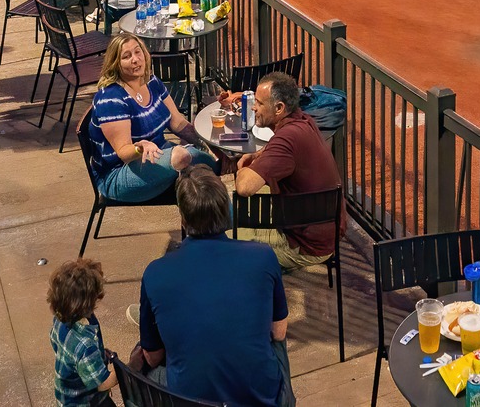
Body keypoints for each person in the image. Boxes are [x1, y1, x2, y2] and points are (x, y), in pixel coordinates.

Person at [133, 168, 292, 407]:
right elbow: (278, 333)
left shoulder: (156, 272)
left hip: (188, 400)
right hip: (261, 399)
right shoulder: (263, 256)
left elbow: (153, 357)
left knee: (143, 362)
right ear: (225, 212)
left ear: (184, 219)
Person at [224, 73, 344, 273]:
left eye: (260, 104)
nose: (254, 108)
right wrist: (259, 155)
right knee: (240, 207)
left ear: (279, 108)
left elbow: (245, 187)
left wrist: (244, 169)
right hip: (323, 229)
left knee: (221, 244)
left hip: (304, 245)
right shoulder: (304, 120)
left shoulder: (286, 139)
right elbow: (282, 148)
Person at [87, 33, 211, 201]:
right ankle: (222, 166)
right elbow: (124, 152)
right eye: (126, 56)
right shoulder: (111, 98)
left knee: (206, 182)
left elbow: (178, 123)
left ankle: (217, 222)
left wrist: (210, 143)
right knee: (183, 158)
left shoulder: (152, 82)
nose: (135, 59)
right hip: (118, 173)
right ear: (115, 64)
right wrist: (140, 147)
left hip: (159, 155)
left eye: (138, 52)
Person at [49, 258, 115, 407]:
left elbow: (59, 346)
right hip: (84, 402)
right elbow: (103, 383)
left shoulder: (59, 321)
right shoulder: (85, 346)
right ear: (85, 304)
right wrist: (129, 369)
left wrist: (97, 355)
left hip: (66, 395)